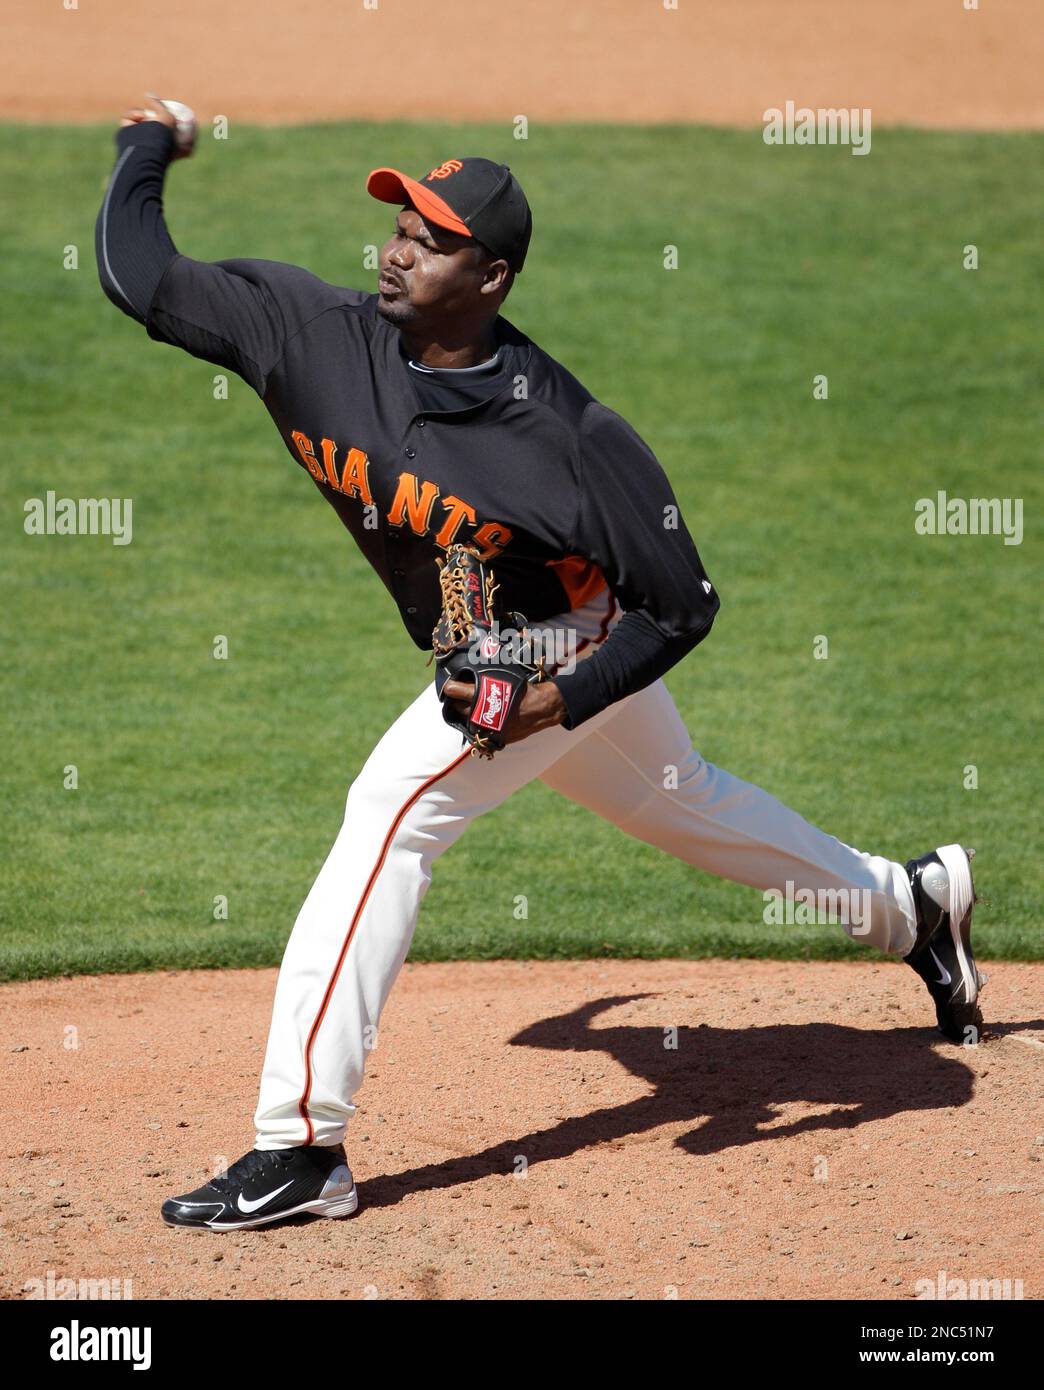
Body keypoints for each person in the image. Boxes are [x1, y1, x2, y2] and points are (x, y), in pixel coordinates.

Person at [95, 96, 984, 1232]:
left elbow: (682, 606)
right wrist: (145, 149)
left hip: (569, 642)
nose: (398, 248)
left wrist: (556, 695)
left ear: (493, 277)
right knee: (691, 804)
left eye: (430, 236)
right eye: (399, 223)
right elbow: (141, 275)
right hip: (498, 661)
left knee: (389, 809)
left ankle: (302, 1145)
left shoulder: (568, 440)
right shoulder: (304, 333)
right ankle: (914, 905)